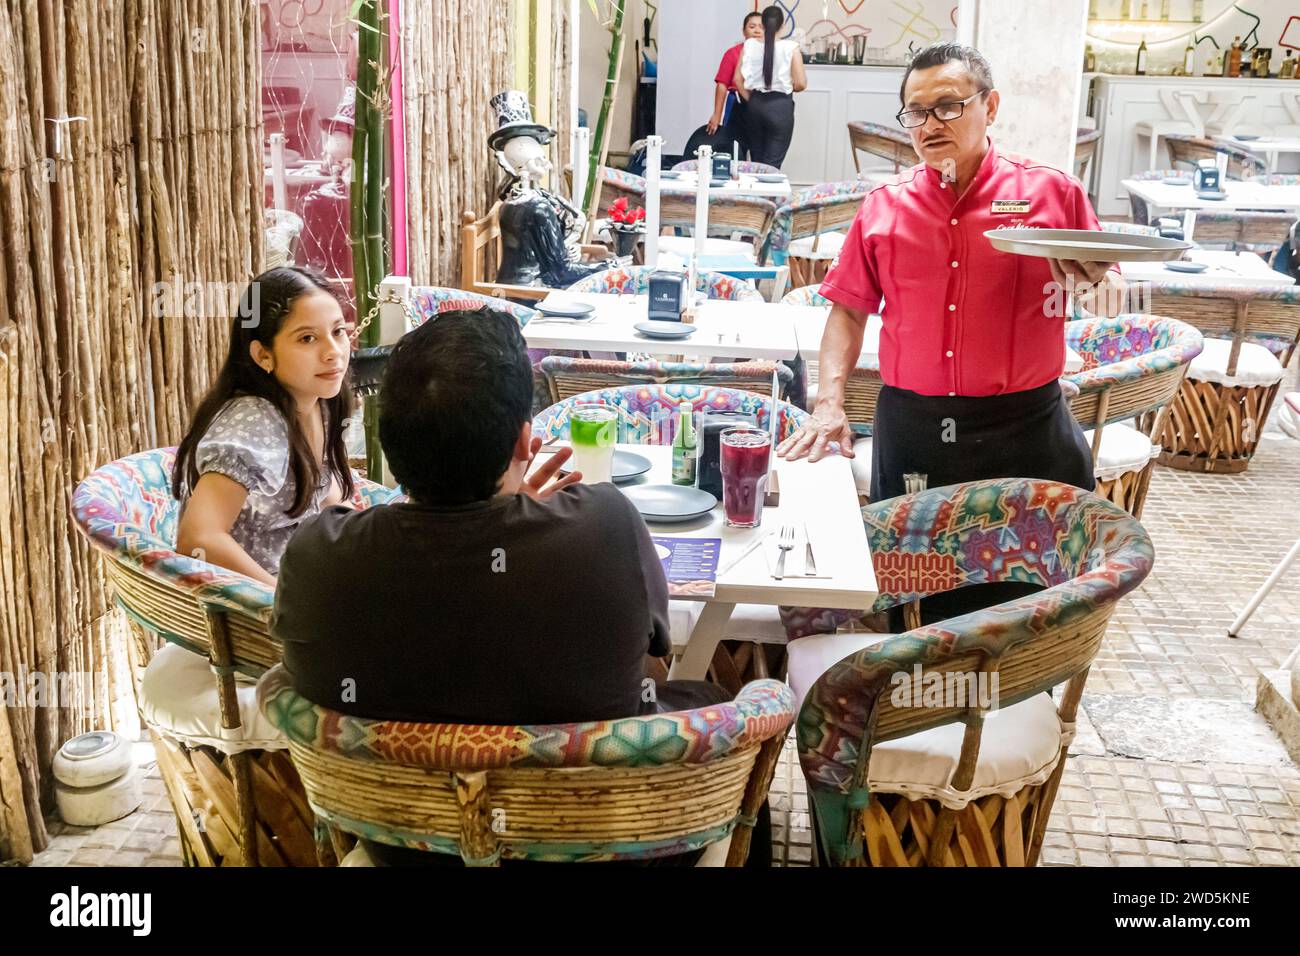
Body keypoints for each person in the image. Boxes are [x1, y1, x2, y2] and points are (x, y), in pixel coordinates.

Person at [271, 308, 766, 864]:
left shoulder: (318, 558)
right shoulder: (606, 527)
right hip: (614, 846)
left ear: (388, 444)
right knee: (714, 714)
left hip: (409, 849)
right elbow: (653, 656)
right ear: (526, 440)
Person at [777, 42, 1125, 624]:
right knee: (917, 597)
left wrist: (1095, 284)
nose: (929, 124)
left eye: (948, 106)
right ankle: (922, 710)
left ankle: (1020, 709)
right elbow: (848, 310)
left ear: (991, 107)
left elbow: (1109, 288)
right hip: (915, 430)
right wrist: (828, 404)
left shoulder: (1050, 194)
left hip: (1026, 431)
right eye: (916, 112)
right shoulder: (883, 208)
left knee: (1028, 607)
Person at [173, 267, 356, 586]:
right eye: (307, 338)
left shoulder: (318, 401)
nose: (333, 353)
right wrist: (283, 603)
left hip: (306, 582)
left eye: (338, 331)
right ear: (263, 355)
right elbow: (198, 538)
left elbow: (330, 502)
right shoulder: (255, 421)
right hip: (252, 608)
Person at [734, 5, 806, 169]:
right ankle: (768, 194)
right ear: (782, 26)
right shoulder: (791, 48)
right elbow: (801, 83)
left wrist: (752, 99)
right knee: (773, 165)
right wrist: (788, 87)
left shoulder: (749, 45)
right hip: (780, 107)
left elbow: (737, 79)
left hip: (755, 105)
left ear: (763, 25)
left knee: (757, 162)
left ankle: (754, 194)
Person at [707, 11, 765, 153]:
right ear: (744, 31)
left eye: (761, 27)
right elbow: (722, 85)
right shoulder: (732, 53)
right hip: (737, 105)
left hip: (762, 106)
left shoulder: (772, 53)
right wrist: (717, 114)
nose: (757, 30)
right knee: (735, 151)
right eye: (752, 26)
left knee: (761, 151)